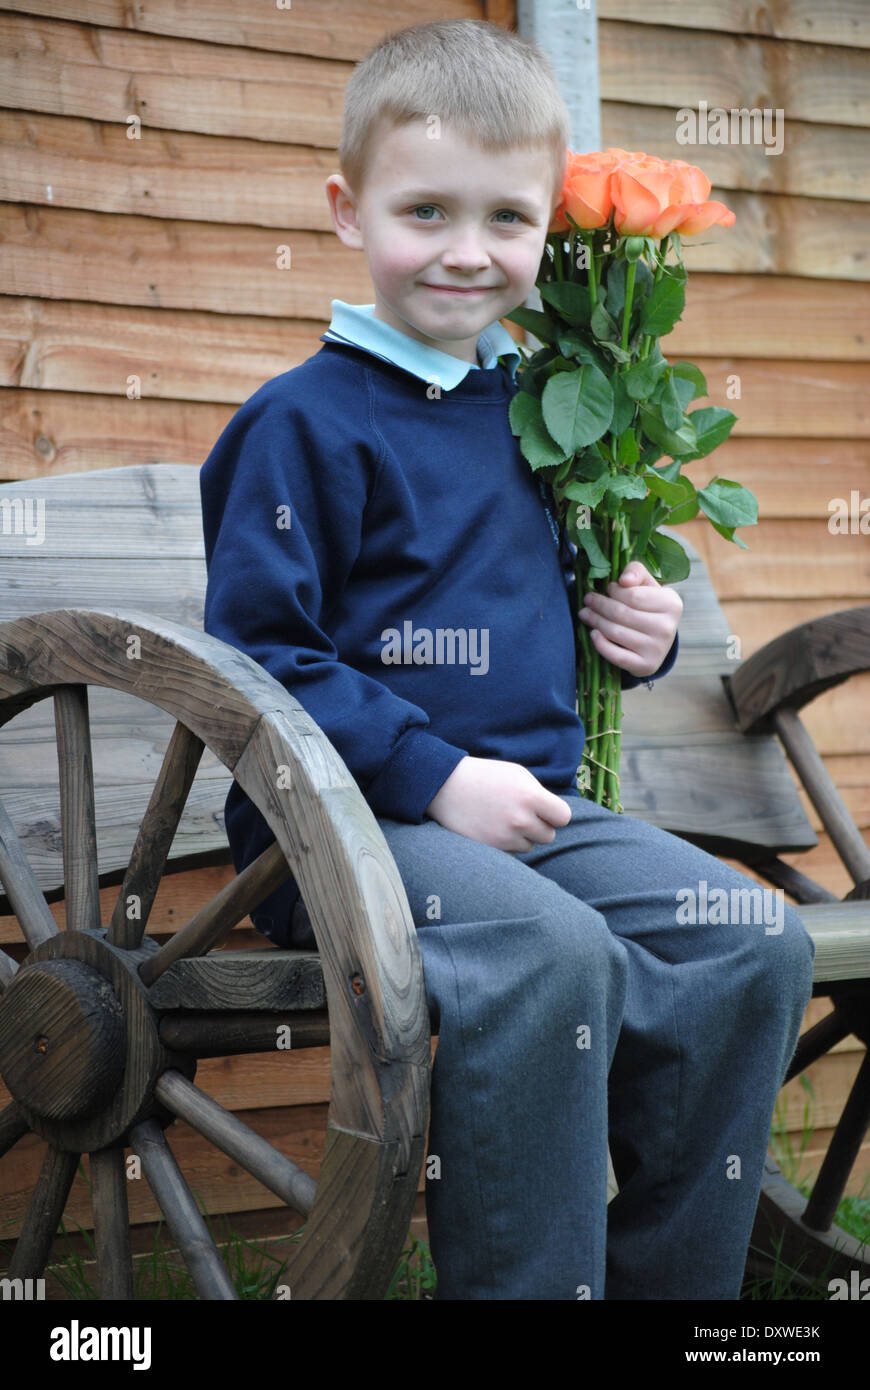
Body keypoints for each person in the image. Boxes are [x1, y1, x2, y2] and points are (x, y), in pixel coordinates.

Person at [199, 18, 815, 1300]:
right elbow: (259, 659)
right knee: (554, 953)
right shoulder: (303, 424)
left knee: (751, 937)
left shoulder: (540, 409)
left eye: (507, 221)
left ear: (549, 234)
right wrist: (435, 775)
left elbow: (560, 603)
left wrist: (637, 632)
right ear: (344, 209)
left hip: (531, 815)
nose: (467, 253)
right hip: (341, 828)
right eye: (425, 210)